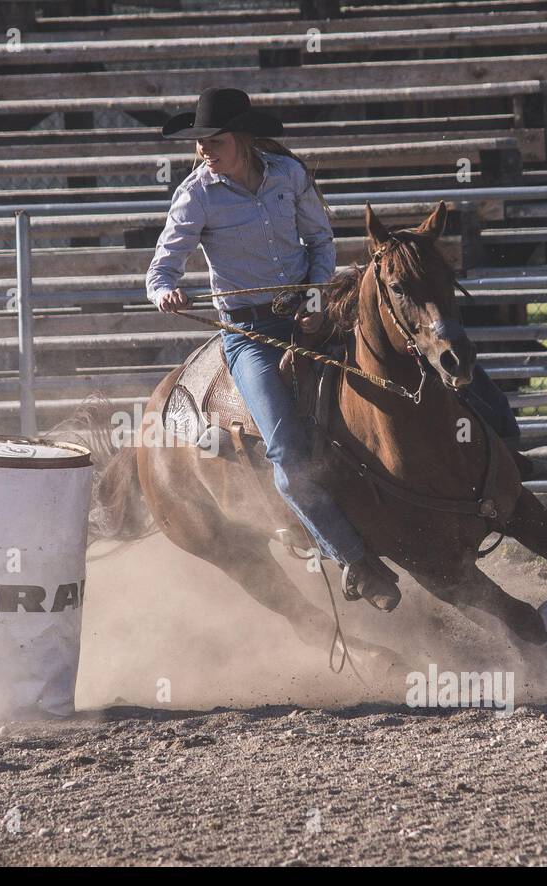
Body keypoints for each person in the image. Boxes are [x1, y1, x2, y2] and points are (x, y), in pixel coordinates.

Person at [144, 87, 403, 612]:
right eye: (198, 142)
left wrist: (315, 294)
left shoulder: (288, 176)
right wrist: (165, 291)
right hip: (250, 335)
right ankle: (353, 557)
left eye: (213, 140)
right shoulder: (196, 195)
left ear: (240, 138)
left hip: (308, 316)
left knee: (395, 370)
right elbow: (160, 270)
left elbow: (320, 242)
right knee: (287, 449)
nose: (203, 150)